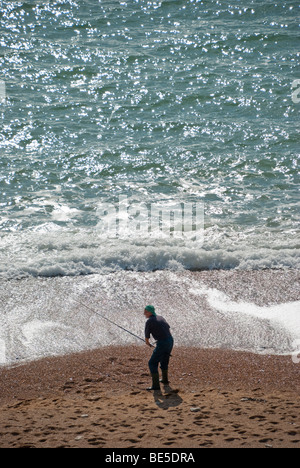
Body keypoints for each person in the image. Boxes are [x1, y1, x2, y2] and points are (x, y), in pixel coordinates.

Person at [144, 305, 174, 391]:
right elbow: (167, 329)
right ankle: (165, 380)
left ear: (150, 312)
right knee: (164, 359)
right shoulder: (160, 317)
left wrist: (148, 343)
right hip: (170, 340)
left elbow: (147, 336)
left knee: (152, 363)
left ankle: (156, 386)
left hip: (162, 343)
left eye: (145, 311)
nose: (144, 313)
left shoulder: (149, 321)